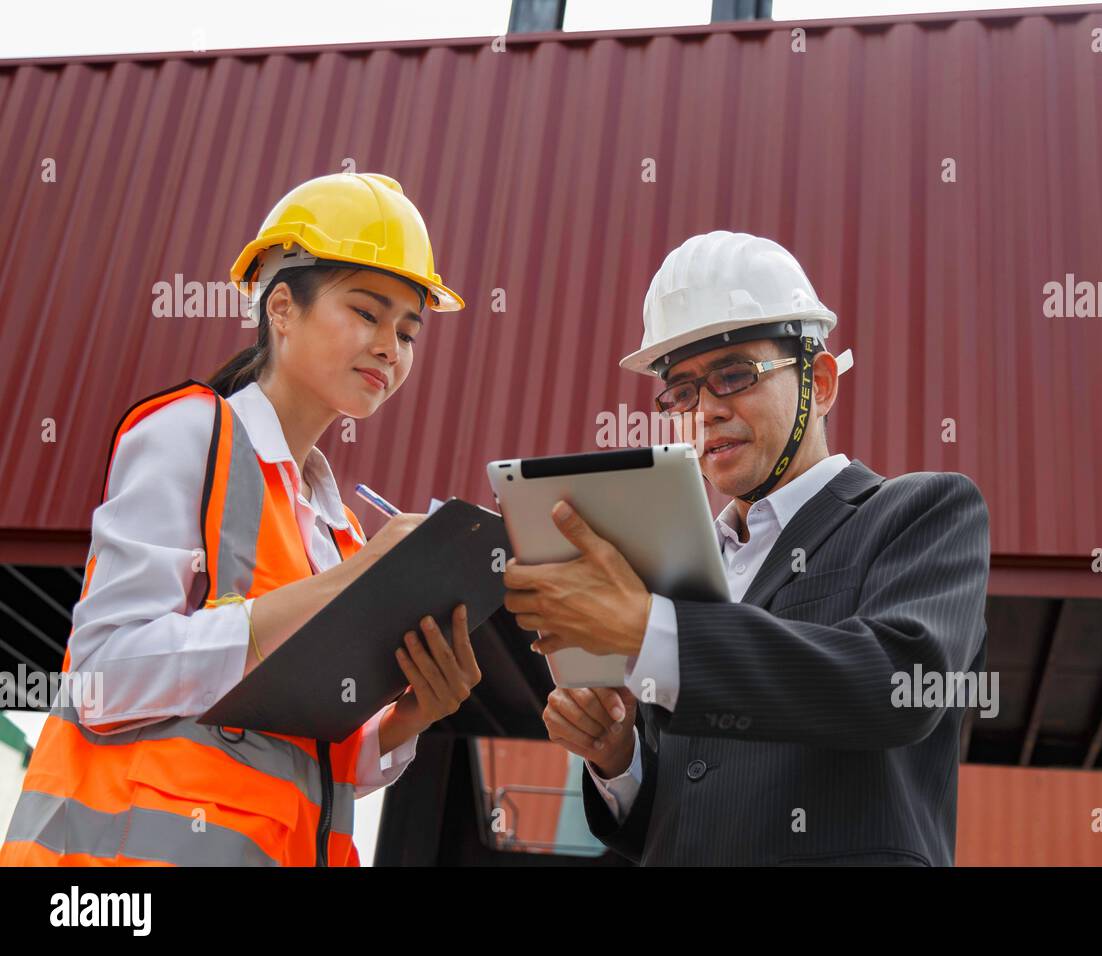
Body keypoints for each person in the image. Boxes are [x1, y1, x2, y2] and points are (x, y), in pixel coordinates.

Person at [1, 172, 481, 867]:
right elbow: (102, 677)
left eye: (408, 331)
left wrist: (412, 715)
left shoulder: (337, 530)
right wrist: (341, 588)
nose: (390, 347)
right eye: (367, 313)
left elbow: (313, 752)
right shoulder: (189, 435)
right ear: (282, 308)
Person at [504, 230, 991, 865]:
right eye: (682, 392)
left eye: (734, 375)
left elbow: (902, 683)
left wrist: (649, 630)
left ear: (820, 381)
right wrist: (618, 759)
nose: (704, 411)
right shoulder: (671, 570)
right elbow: (681, 811)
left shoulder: (923, 512)